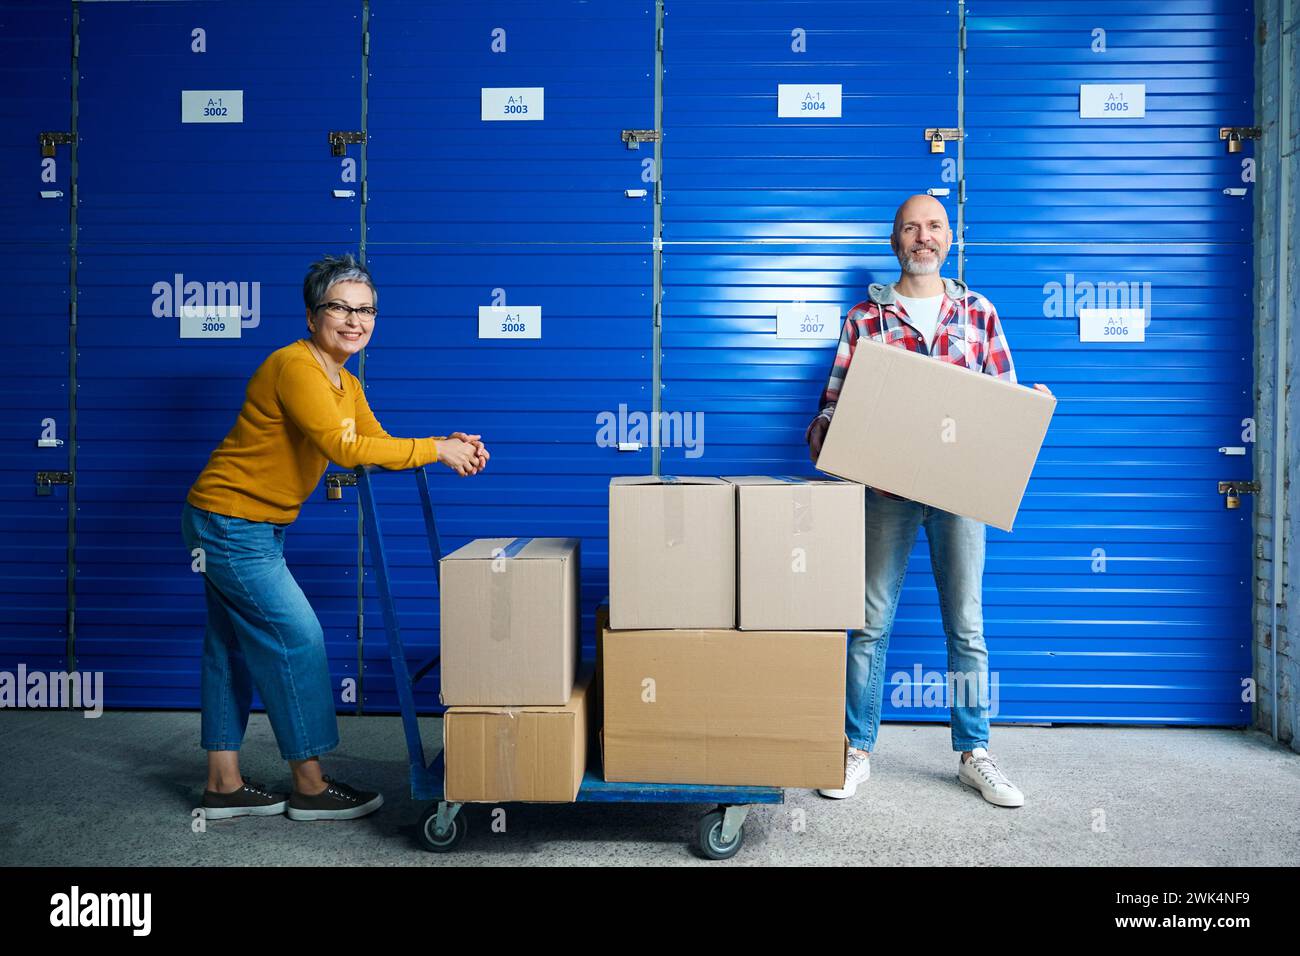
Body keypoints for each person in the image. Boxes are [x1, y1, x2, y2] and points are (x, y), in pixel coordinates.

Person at [181, 253, 489, 821]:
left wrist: (444, 443)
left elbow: (376, 443)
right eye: (339, 307)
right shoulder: (294, 367)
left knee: (229, 649)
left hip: (245, 524)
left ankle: (222, 785)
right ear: (311, 315)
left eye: (366, 310)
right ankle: (310, 784)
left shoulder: (343, 382)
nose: (354, 320)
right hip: (229, 523)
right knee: (297, 637)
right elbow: (345, 450)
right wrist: (436, 451)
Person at [806, 195, 1052, 807]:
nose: (924, 237)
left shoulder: (979, 312)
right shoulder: (866, 318)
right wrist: (824, 425)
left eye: (934, 226)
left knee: (967, 626)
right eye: (911, 228)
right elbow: (836, 399)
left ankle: (974, 753)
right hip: (886, 490)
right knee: (868, 621)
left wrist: (1029, 407)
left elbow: (1002, 402)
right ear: (896, 240)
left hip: (959, 493)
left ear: (949, 237)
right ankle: (856, 748)